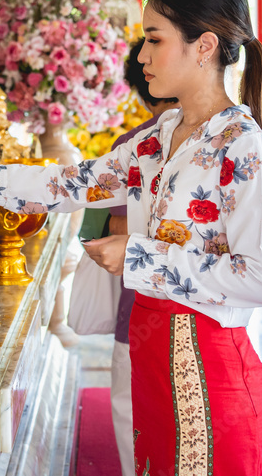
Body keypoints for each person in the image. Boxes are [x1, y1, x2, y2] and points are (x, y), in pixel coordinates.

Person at [0, 0, 262, 475]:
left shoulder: (241, 144)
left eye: (155, 39)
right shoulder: (159, 136)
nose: (142, 56)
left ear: (204, 47)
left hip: (210, 370)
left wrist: (139, 256)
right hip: (151, 352)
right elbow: (67, 183)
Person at [106, 37, 179, 476]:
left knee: (140, 409)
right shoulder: (136, 144)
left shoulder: (230, 139)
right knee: (142, 410)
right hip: (147, 304)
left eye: (156, 42)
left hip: (181, 310)